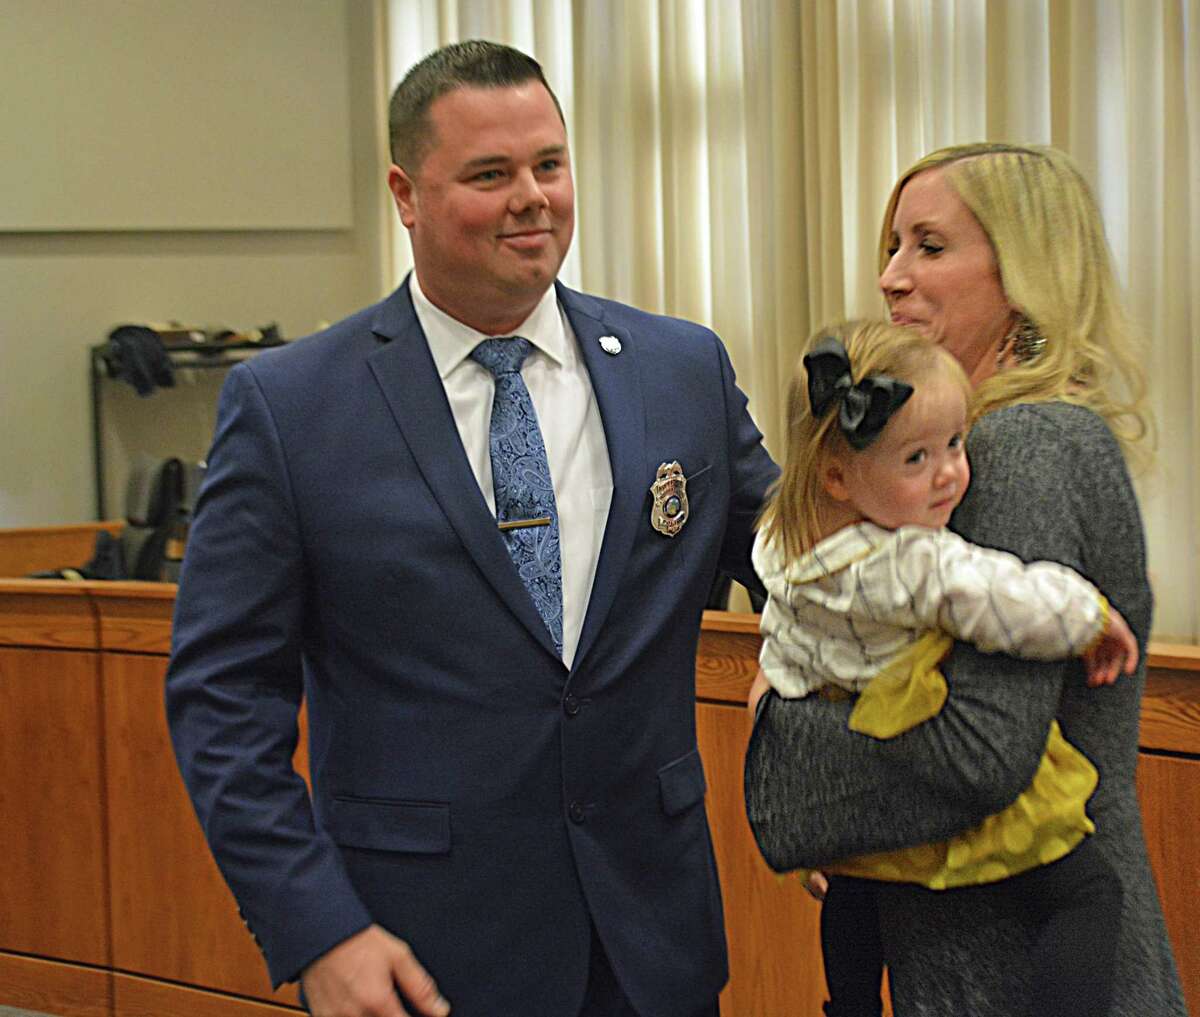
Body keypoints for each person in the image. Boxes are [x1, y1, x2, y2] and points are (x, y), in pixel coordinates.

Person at [166, 40, 777, 1017]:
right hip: (416, 956)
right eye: (490, 175)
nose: (532, 197)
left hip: (651, 945)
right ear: (407, 195)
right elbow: (221, 703)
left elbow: (812, 575)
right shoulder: (292, 409)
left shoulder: (679, 369)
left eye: (550, 164)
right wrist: (317, 927)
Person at [744, 142, 1187, 1016]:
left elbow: (978, 752)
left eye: (930, 247)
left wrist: (777, 741)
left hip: (1021, 967)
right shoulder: (949, 453)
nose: (893, 277)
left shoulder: (1020, 446)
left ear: (1025, 274)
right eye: (892, 246)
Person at [753, 320, 1139, 1017]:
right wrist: (1090, 617)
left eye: (957, 443)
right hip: (923, 731)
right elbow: (1006, 598)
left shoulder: (783, 553)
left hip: (853, 753)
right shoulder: (914, 562)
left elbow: (781, 646)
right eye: (918, 458)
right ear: (837, 475)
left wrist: (774, 704)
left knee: (851, 879)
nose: (952, 473)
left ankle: (848, 1003)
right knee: (1087, 890)